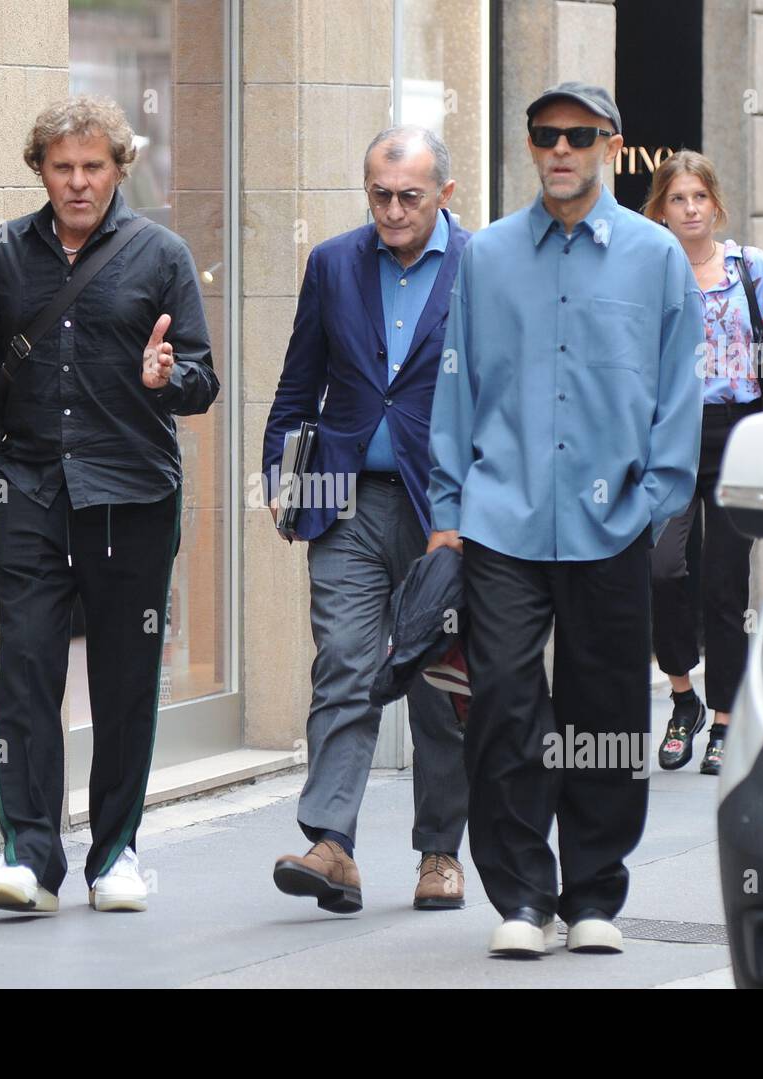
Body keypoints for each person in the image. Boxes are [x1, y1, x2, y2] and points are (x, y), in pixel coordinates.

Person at [427, 83, 704, 957]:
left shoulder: (657, 258)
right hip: (502, 516)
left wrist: (654, 503)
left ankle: (592, 893)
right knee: (505, 700)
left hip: (612, 521)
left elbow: (680, 390)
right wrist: (448, 510)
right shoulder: (487, 256)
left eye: (578, 136)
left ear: (612, 147)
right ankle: (519, 893)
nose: (559, 149)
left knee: (605, 710)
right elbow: (455, 388)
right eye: (544, 134)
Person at [0, 95, 219, 915]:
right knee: (28, 670)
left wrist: (165, 377)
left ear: (119, 168)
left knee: (124, 677)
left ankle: (116, 853)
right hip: (30, 490)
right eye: (63, 167)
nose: (78, 182)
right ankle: (29, 855)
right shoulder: (2, 254)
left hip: (132, 496)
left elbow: (203, 381)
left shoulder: (160, 253)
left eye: (94, 167)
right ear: (40, 169)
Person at [262, 126, 471, 914]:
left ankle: (440, 853)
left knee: (439, 679)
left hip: (442, 506)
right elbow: (297, 387)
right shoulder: (333, 263)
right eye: (378, 194)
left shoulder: (479, 268)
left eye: (408, 196)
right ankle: (333, 844)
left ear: (444, 195)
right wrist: (284, 483)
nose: (391, 210)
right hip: (343, 500)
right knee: (344, 660)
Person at [643, 150, 763, 777]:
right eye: (677, 199)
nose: (690, 209)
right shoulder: (650, 271)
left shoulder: (752, 268)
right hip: (672, 437)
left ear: (716, 204)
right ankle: (682, 696)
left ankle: (725, 720)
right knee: (663, 567)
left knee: (724, 582)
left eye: (699, 197)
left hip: (739, 434)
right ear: (660, 209)